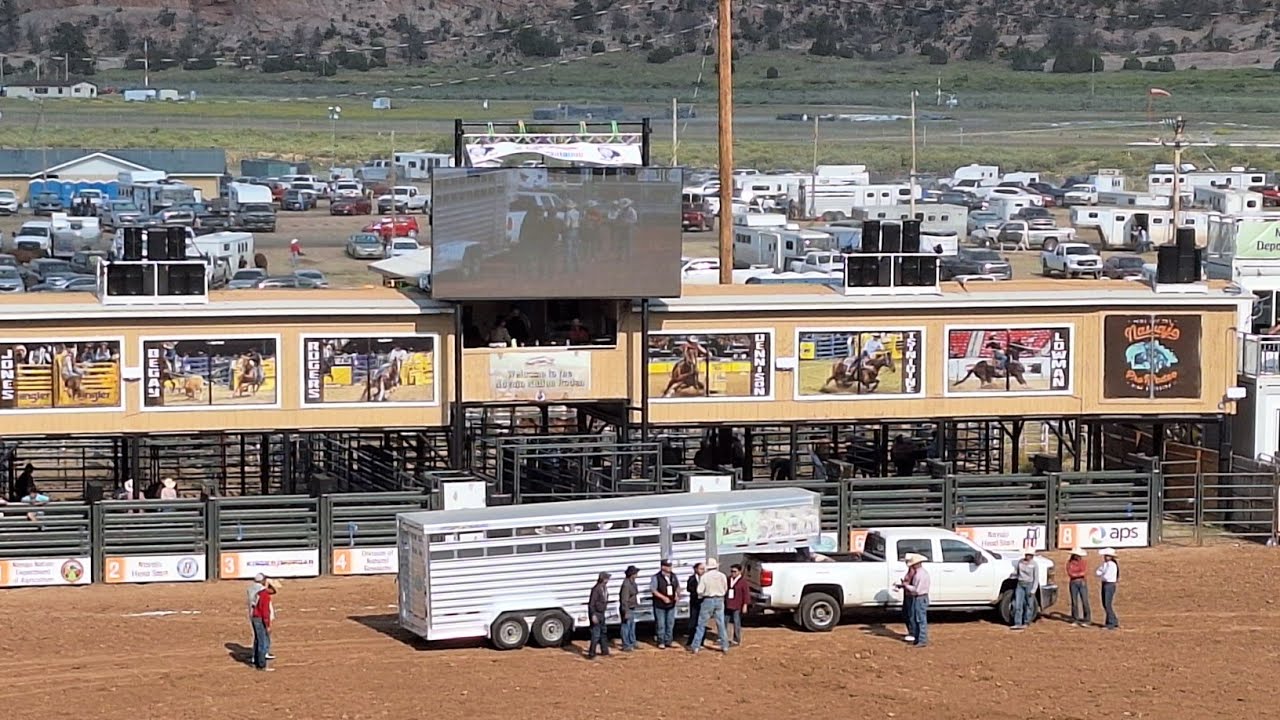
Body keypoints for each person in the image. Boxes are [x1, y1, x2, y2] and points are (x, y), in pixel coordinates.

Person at [690, 557, 729, 655]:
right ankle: (725, 646)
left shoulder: (705, 577)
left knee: (701, 624)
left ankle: (696, 646)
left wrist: (703, 595)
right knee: (720, 623)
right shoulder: (722, 576)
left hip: (708, 599)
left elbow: (699, 590)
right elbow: (725, 588)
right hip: (720, 599)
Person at [896, 553, 930, 647]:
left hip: (919, 597)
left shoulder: (920, 575)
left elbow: (917, 590)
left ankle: (921, 639)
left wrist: (906, 586)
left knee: (919, 619)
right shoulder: (921, 573)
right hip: (919, 597)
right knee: (917, 618)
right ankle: (919, 638)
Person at [649, 559, 681, 649]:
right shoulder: (656, 577)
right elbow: (653, 590)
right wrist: (663, 597)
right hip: (660, 605)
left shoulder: (673, 576)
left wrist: (677, 594)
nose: (670, 567)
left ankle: (668, 640)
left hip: (671, 604)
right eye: (668, 566)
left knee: (670, 623)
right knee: (661, 624)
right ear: (663, 567)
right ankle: (661, 641)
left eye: (670, 566)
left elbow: (677, 586)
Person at [251, 577, 279, 671]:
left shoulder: (258, 593)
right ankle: (261, 664)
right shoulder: (265, 595)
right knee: (262, 642)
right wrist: (267, 625)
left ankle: (256, 660)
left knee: (258, 640)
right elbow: (265, 612)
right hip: (260, 618)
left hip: (255, 617)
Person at [1011, 548, 1040, 630]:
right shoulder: (1020, 562)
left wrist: (1034, 589)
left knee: (1029, 604)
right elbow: (1017, 572)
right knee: (1018, 603)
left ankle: (1026, 622)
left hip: (1029, 585)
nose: (1028, 556)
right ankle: (1018, 623)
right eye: (1027, 555)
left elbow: (1036, 578)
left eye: (1030, 555)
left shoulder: (1034, 564)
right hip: (1020, 584)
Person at [586, 571, 611, 659]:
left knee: (603, 632)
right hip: (596, 613)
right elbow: (591, 604)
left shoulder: (604, 588)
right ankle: (592, 653)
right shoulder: (596, 589)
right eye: (607, 578)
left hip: (602, 613)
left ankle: (605, 651)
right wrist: (593, 615)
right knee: (595, 634)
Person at [725, 563, 749, 646]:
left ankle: (736, 639)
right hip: (728, 603)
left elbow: (746, 594)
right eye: (731, 571)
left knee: (736, 622)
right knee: (724, 621)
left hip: (737, 604)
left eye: (734, 571)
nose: (733, 573)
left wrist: (745, 605)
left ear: (739, 571)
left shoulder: (743, 581)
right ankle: (724, 638)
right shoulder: (728, 579)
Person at [1096, 547, 1120, 630]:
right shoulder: (1106, 564)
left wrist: (1102, 575)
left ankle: (1111, 622)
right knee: (1105, 604)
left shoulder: (1112, 565)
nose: (1105, 557)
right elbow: (1098, 572)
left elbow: (1105, 576)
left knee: (1107, 604)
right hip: (1106, 584)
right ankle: (1112, 620)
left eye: (1107, 556)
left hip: (1109, 584)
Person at [1067, 547, 1092, 627]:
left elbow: (1083, 572)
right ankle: (1075, 618)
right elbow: (1071, 573)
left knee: (1084, 601)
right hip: (1076, 582)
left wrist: (1076, 574)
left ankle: (1087, 619)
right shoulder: (1070, 563)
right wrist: (1078, 574)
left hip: (1079, 582)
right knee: (1074, 602)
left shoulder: (1082, 562)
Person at [619, 565, 639, 652]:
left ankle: (632, 642)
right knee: (626, 627)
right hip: (627, 608)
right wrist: (625, 611)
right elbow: (624, 599)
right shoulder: (626, 585)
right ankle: (626, 644)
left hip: (632, 607)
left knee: (631, 626)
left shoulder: (632, 582)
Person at [685, 562, 704, 646]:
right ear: (696, 569)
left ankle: (701, 641)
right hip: (694, 602)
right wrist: (696, 591)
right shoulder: (691, 578)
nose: (702, 571)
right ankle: (691, 639)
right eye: (700, 569)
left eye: (703, 569)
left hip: (703, 602)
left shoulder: (705, 578)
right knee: (693, 621)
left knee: (702, 621)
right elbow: (689, 588)